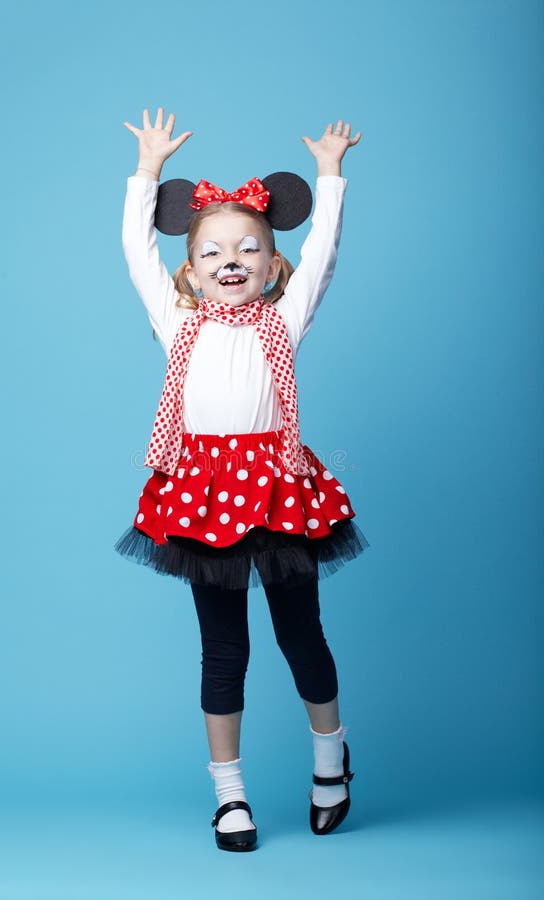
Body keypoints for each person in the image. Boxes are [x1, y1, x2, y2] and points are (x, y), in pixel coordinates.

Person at [115, 107, 369, 851]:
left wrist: (330, 174)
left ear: (271, 264)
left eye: (249, 248)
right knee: (224, 649)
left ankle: (331, 760)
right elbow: (135, 250)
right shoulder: (176, 321)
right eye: (214, 252)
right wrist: (147, 173)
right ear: (190, 270)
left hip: (278, 484)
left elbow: (323, 253)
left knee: (301, 634)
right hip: (202, 494)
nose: (232, 261)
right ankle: (230, 795)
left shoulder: (284, 321)